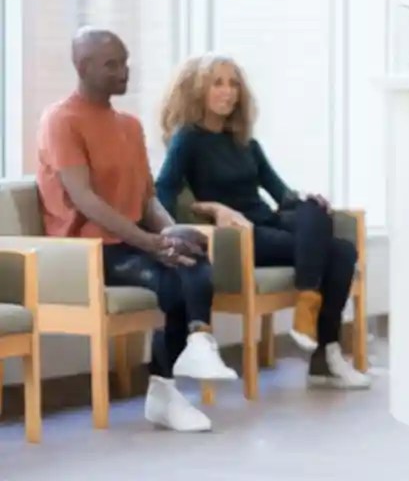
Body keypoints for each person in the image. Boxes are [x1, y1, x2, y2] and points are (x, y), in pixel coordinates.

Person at [36, 28, 238, 434]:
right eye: (112, 64)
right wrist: (151, 243)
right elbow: (84, 199)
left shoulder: (129, 125)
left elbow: (147, 200)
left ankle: (190, 353)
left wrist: (171, 233)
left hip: (130, 241)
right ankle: (168, 383)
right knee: (172, 281)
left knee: (192, 249)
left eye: (125, 61)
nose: (124, 71)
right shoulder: (61, 119)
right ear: (83, 67)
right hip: (86, 251)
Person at [154, 54, 370, 390]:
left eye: (234, 84)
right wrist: (206, 211)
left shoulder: (246, 144)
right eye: (218, 83)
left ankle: (315, 326)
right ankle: (322, 348)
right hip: (238, 237)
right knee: (338, 252)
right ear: (197, 91)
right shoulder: (188, 139)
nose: (228, 92)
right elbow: (164, 190)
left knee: (319, 217)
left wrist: (306, 200)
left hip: (266, 222)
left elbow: (281, 194)